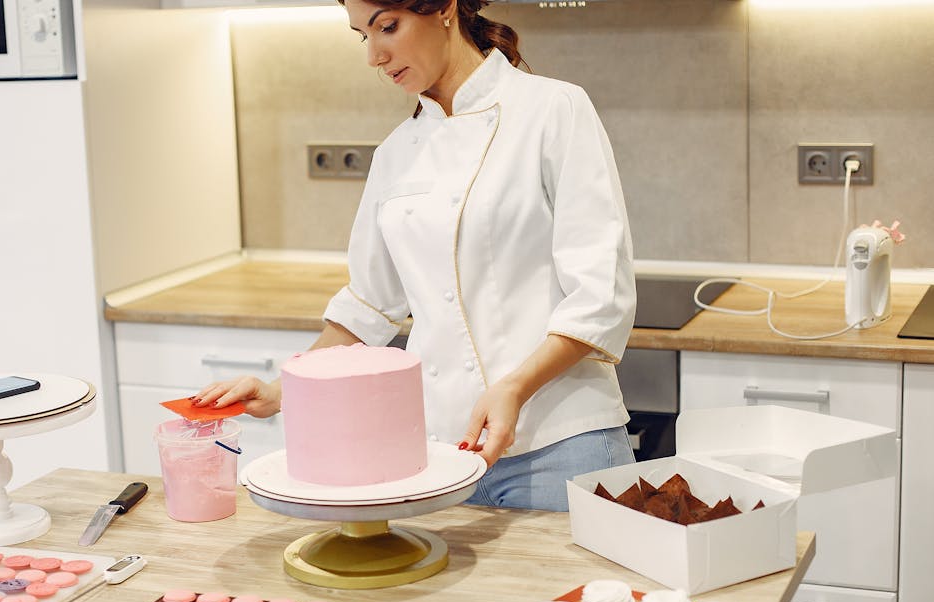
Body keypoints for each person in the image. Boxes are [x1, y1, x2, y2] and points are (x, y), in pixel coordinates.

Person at [192, 0, 636, 511]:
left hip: (561, 442)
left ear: (445, 8)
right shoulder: (397, 153)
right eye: (363, 36)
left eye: (387, 27)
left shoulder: (554, 109)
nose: (374, 57)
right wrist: (279, 391)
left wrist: (514, 387)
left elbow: (601, 296)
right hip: (444, 457)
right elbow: (368, 307)